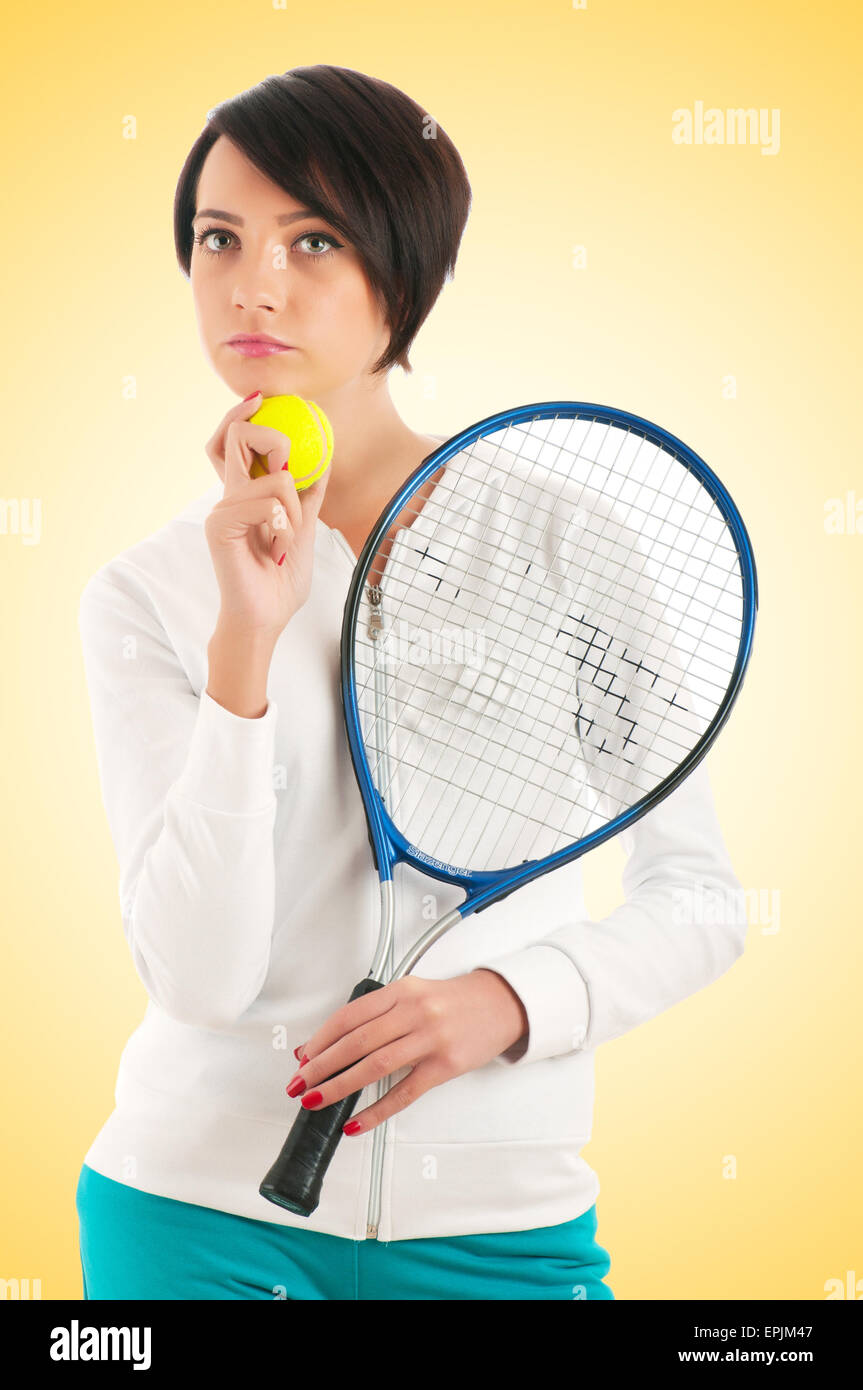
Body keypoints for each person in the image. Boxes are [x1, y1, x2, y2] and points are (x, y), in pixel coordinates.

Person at [75, 64, 747, 1301]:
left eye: (312, 238)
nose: (252, 282)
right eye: (217, 238)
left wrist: (509, 998)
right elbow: (198, 979)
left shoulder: (563, 540)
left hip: (504, 1232)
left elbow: (705, 898)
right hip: (191, 1219)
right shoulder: (148, 593)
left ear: (406, 267)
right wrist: (246, 641)